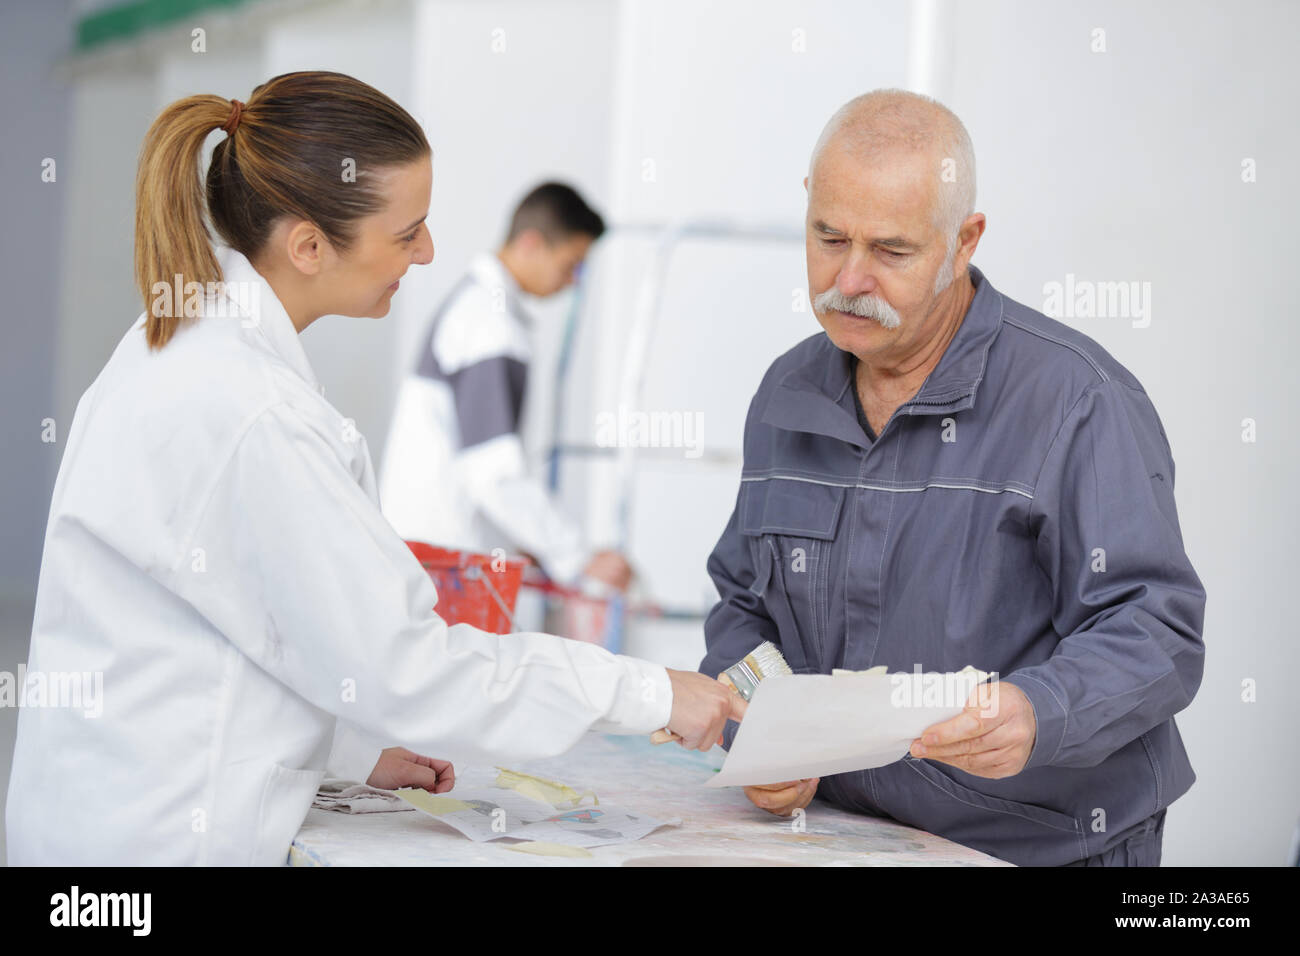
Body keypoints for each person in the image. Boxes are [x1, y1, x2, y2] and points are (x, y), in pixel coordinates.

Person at [5, 71, 742, 866]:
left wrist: (350, 750)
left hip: (94, 819)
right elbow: (408, 666)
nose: (426, 252)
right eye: (407, 232)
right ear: (309, 246)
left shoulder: (183, 345)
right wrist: (649, 691)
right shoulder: (254, 414)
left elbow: (246, 622)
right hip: (156, 839)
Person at [700, 89, 1204, 866]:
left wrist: (1040, 711)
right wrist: (759, 730)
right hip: (847, 837)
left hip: (1040, 847)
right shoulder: (786, 395)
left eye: (892, 251)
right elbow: (741, 607)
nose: (850, 279)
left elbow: (1157, 629)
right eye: (828, 236)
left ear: (964, 241)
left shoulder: (1076, 403)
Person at [379, 182, 631, 591]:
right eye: (570, 264)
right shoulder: (491, 325)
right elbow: (492, 470)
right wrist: (576, 555)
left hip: (435, 553)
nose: (571, 282)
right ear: (531, 243)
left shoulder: (478, 308)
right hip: (446, 562)